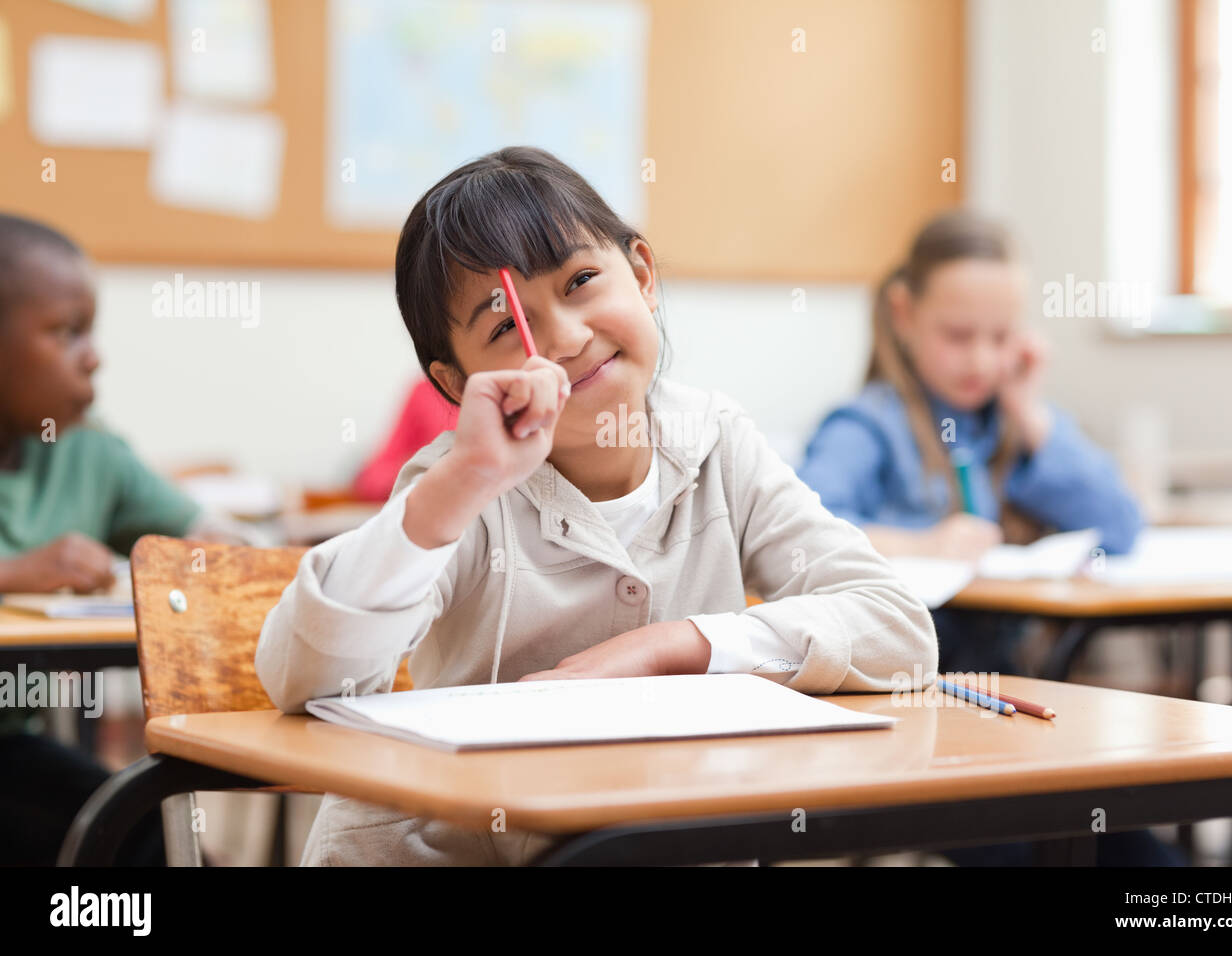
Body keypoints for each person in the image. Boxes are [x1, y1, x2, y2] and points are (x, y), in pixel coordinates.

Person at [255, 146, 939, 866]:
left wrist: (671, 648)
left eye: (582, 281)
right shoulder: (456, 486)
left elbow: (897, 629)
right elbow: (303, 680)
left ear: (641, 274)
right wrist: (459, 485)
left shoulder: (718, 444)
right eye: (504, 328)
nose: (566, 339)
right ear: (455, 384)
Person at [797, 210, 1180, 866]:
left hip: (1014, 713)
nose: (981, 358)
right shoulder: (867, 426)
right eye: (958, 335)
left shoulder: (1010, 424)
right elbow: (797, 533)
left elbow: (1119, 523)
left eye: (1000, 337)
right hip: (914, 728)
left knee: (1144, 856)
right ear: (904, 313)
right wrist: (922, 544)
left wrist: (1029, 411)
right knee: (1030, 850)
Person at [0, 213, 245, 864]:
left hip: (9, 747)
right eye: (65, 331)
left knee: (137, 826)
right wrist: (16, 571)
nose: (94, 355)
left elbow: (214, 542)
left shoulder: (87, 448)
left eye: (92, 330)